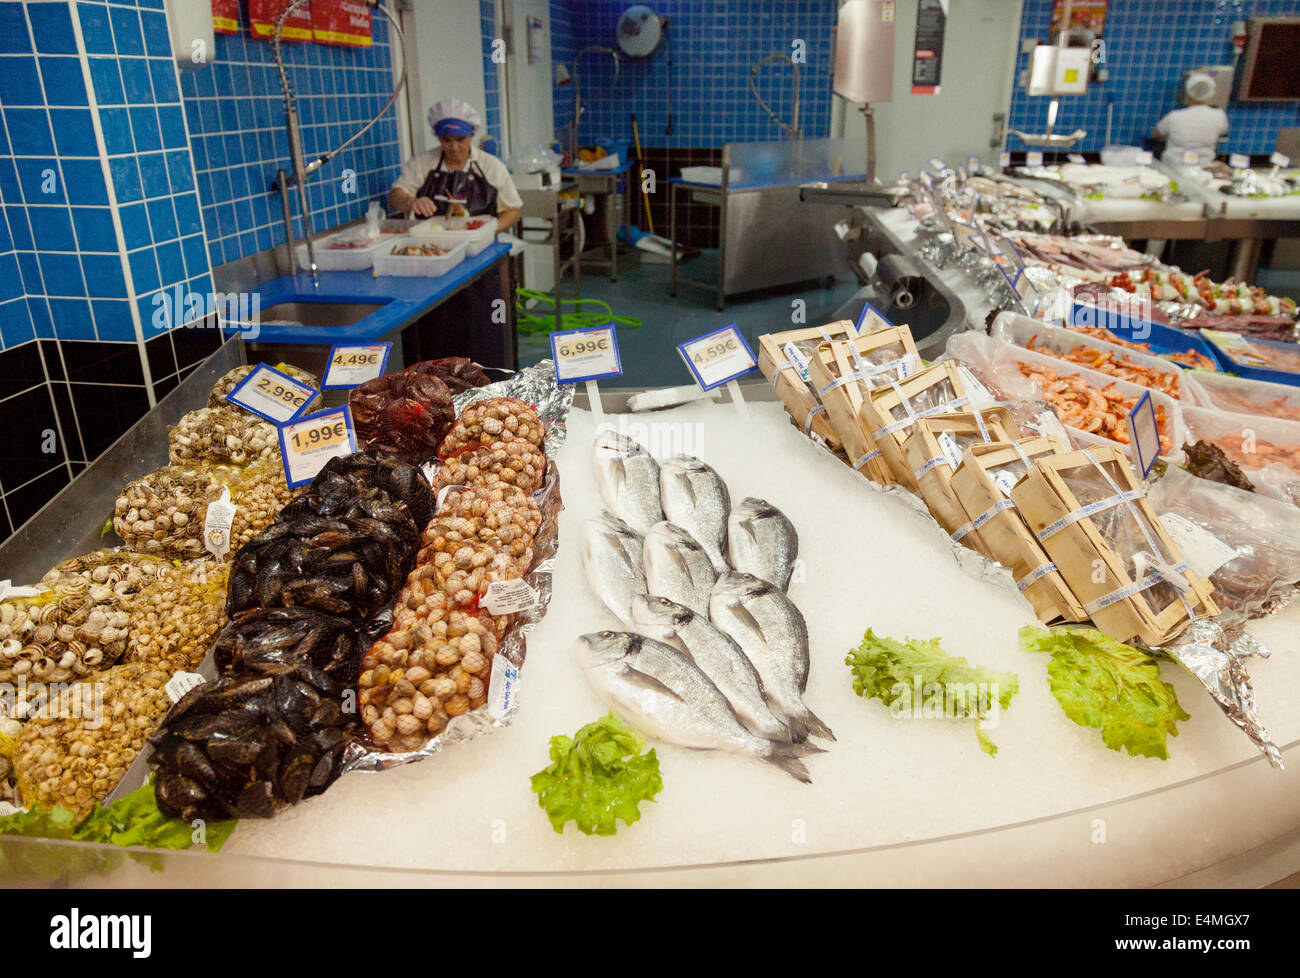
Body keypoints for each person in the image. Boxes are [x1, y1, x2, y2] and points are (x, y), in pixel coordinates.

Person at [389, 98, 523, 233]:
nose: (454, 147)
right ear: (438, 137)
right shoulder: (422, 163)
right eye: (446, 140)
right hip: (434, 242)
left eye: (460, 139)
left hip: (481, 246)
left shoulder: (491, 166)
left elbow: (513, 211)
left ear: (472, 135)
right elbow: (395, 198)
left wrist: (484, 233)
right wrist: (411, 202)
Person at [1152, 73, 1228, 166]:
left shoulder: (1174, 117)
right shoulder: (1219, 115)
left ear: (1187, 94)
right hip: (1203, 167)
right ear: (1211, 94)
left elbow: (1156, 134)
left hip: (1173, 167)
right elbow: (1220, 135)